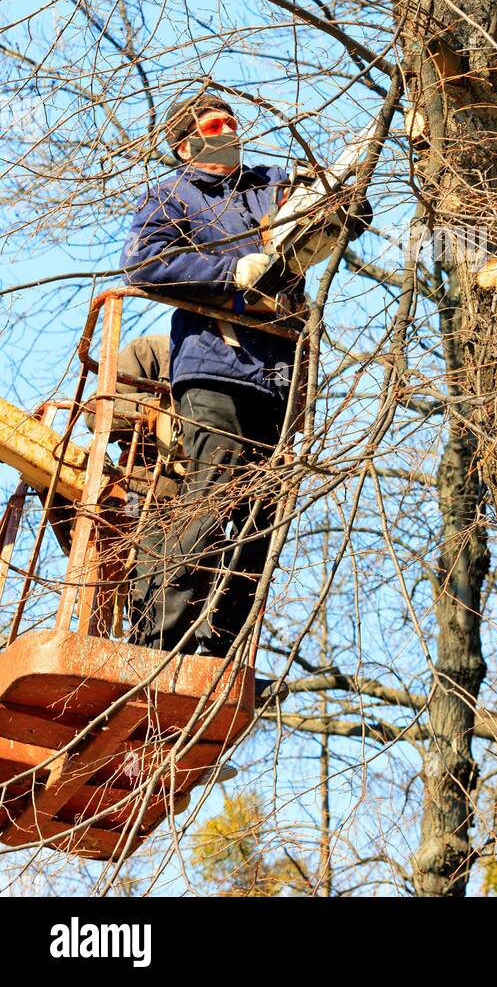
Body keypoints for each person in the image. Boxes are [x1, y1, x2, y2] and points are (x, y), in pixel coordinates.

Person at [120, 88, 307, 663]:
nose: (228, 133)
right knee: (211, 501)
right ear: (186, 145)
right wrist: (230, 272)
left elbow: (339, 203)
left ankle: (220, 646)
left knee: (261, 522)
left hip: (280, 374)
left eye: (232, 123)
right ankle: (161, 640)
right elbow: (144, 261)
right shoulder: (174, 195)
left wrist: (334, 207)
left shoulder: (269, 183)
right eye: (214, 127)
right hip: (217, 368)